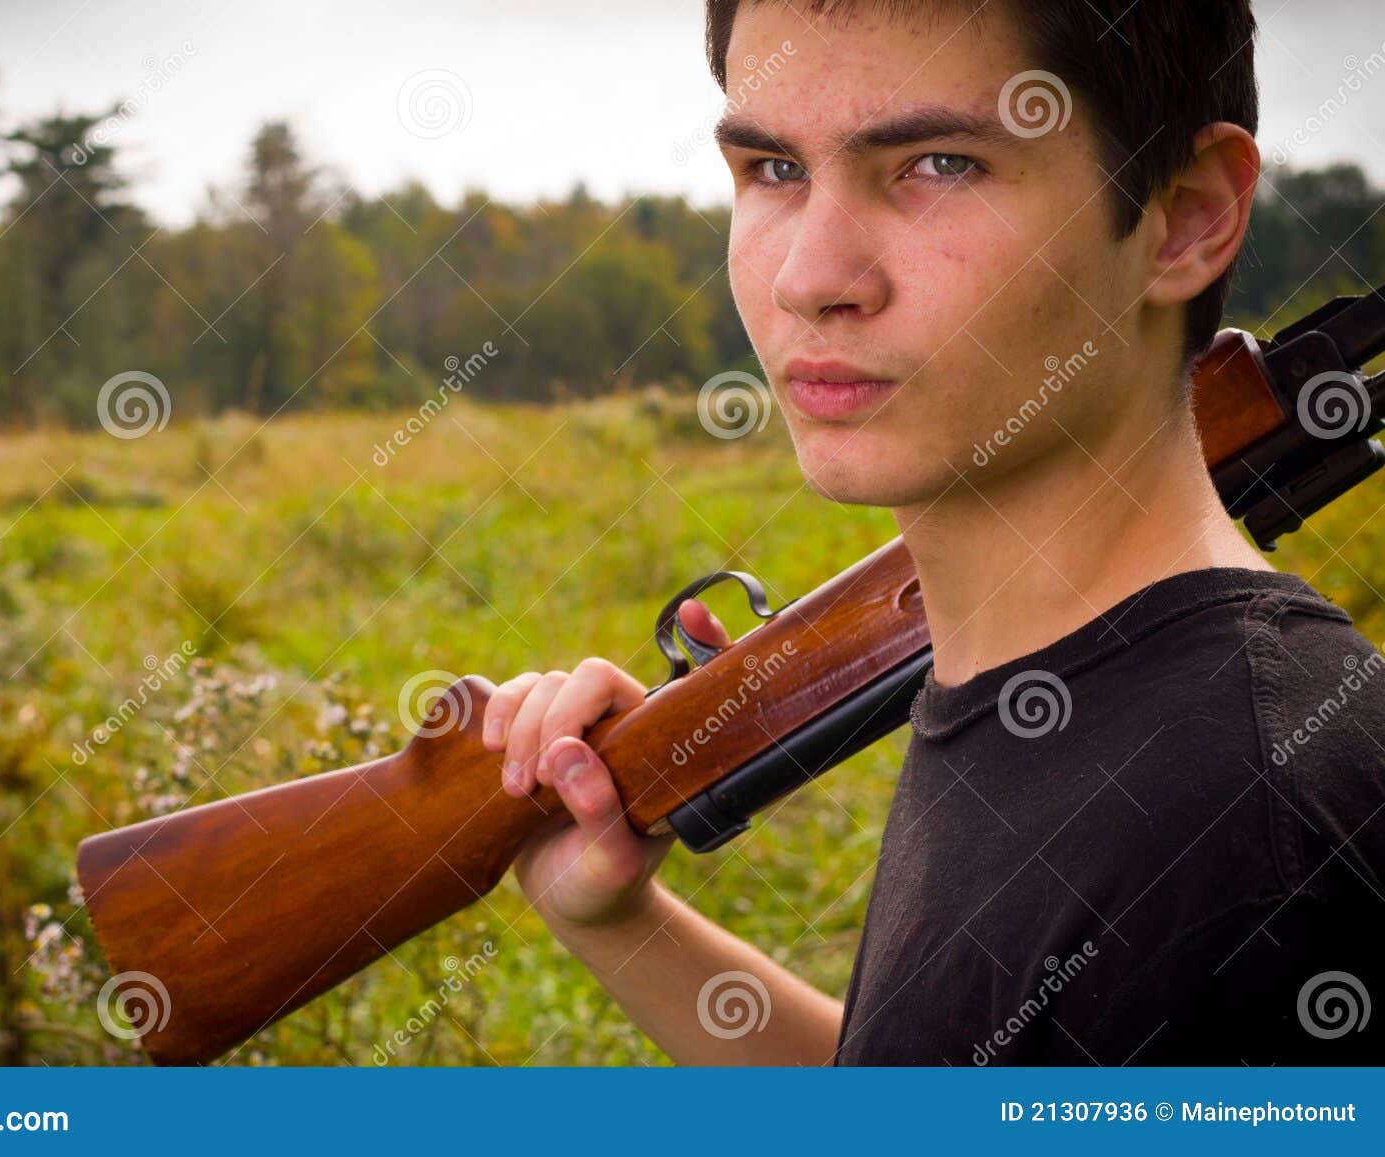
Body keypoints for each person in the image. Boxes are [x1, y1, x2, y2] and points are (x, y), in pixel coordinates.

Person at [481, 0, 1385, 1065]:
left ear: (1183, 216)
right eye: (774, 169)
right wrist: (618, 927)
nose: (809, 280)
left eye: (937, 165)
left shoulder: (1244, 829)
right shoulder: (1044, 681)